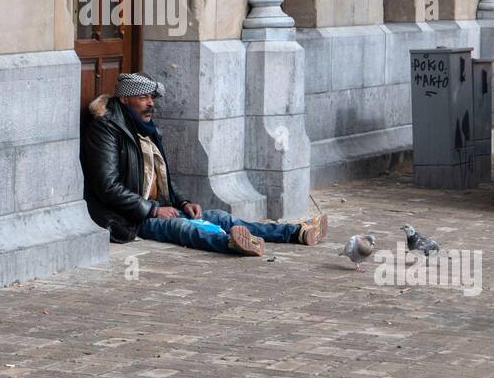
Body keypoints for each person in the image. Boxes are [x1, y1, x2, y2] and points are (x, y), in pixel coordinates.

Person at [80, 72, 326, 256]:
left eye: (151, 97)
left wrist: (183, 202)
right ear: (124, 100)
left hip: (158, 207)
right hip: (129, 218)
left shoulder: (144, 127)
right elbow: (107, 186)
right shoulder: (106, 129)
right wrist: (152, 209)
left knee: (221, 217)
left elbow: (162, 177)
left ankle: (295, 232)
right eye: (143, 98)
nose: (151, 103)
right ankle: (231, 243)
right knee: (184, 229)